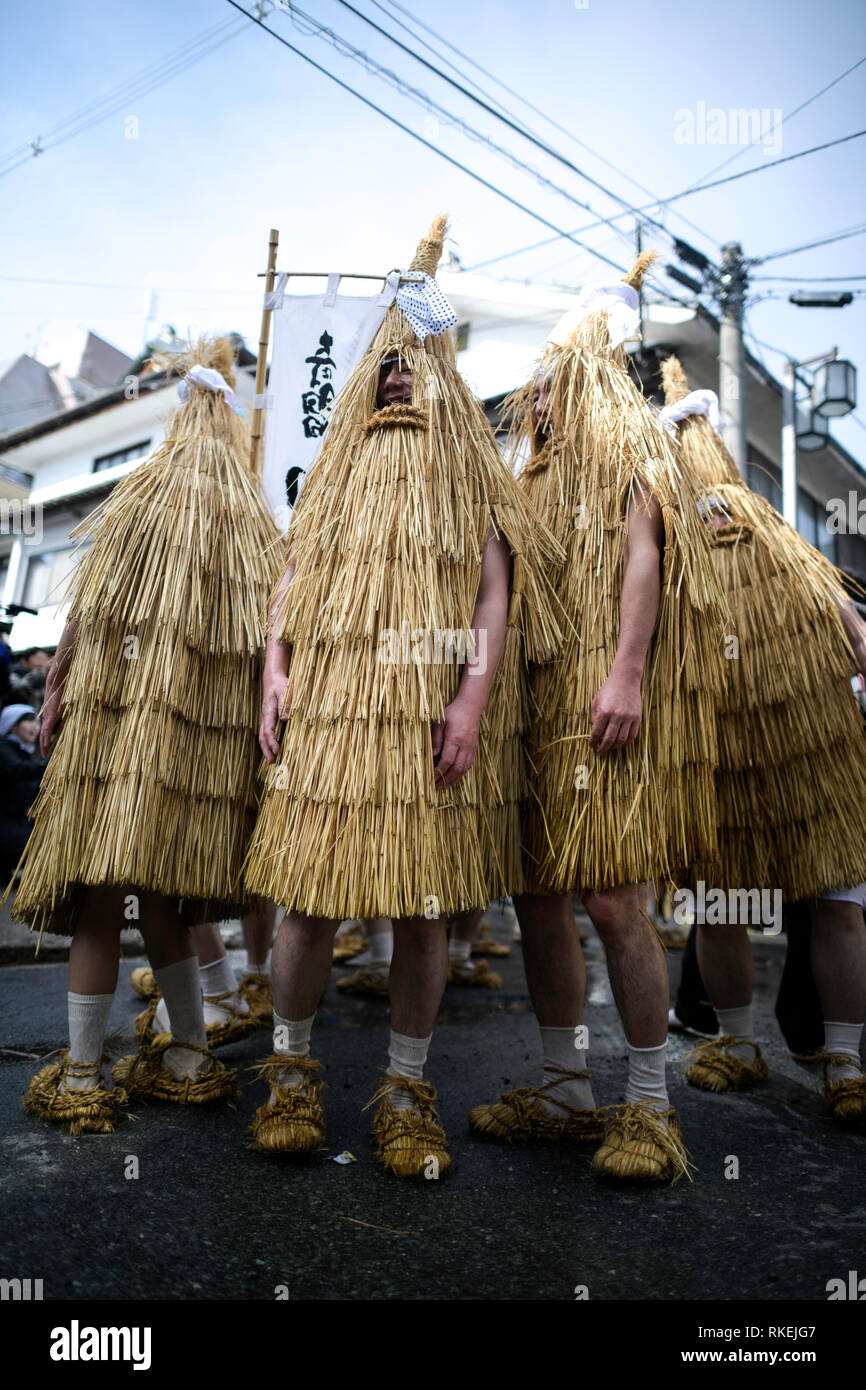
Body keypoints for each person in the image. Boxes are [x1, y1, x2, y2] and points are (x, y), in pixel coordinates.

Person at [243, 214, 563, 1177]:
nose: (393, 377)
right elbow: (292, 576)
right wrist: (275, 670)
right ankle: (292, 1077)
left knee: (424, 909)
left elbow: (493, 592)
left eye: (408, 363)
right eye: (381, 365)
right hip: (334, 714)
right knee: (306, 900)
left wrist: (470, 702)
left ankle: (406, 1088)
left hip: (427, 714)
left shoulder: (470, 471)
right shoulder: (333, 473)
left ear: (437, 368)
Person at [469, 254, 723, 1183]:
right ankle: (566, 1082)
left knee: (616, 899)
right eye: (529, 387)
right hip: (533, 708)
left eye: (546, 384)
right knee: (538, 894)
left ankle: (650, 1103)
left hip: (601, 698)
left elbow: (644, 556)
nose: (532, 399)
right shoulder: (524, 481)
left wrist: (624, 673)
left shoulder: (630, 448)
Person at [8, 338, 281, 1134]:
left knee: (101, 901)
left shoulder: (137, 502)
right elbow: (261, 652)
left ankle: (86, 1070)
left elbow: (80, 625)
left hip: (112, 739)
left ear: (176, 423)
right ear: (228, 429)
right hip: (186, 758)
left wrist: (58, 698)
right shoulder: (249, 530)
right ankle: (191, 1057)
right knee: (159, 895)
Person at [659, 355, 866, 1125]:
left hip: (816, 755)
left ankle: (845, 1060)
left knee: (838, 900)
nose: (715, 510)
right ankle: (738, 1040)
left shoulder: (791, 548)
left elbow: (856, 634)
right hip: (720, 758)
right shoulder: (666, 550)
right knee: (719, 901)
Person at [0, 703, 47, 879]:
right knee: (35, 843)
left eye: (36, 720)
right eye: (27, 721)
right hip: (5, 824)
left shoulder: (26, 752)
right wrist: (47, 765)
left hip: (18, 821)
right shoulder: (3, 747)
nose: (35, 725)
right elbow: (16, 769)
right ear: (12, 726)